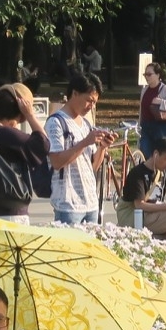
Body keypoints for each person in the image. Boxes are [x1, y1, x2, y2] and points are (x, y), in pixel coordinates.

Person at [0, 84, 49, 222]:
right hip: (11, 213)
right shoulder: (7, 134)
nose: (17, 125)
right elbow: (43, 144)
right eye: (18, 120)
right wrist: (30, 115)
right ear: (12, 114)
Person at [44, 74, 108, 225]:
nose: (91, 106)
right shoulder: (56, 122)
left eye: (94, 102)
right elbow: (56, 162)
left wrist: (103, 147)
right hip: (68, 204)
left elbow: (92, 167)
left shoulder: (86, 124)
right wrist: (85, 142)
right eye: (89, 100)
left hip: (91, 203)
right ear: (75, 93)